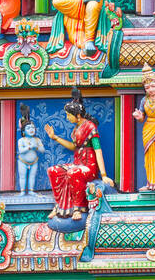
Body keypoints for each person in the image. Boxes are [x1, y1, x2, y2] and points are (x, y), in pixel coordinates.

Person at [45, 88, 113, 221]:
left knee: (72, 173)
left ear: (77, 115)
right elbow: (73, 146)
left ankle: (78, 207)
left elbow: (98, 149)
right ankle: (60, 206)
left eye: (68, 115)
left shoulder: (90, 127)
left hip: (89, 166)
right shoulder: (76, 128)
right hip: (78, 163)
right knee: (53, 170)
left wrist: (104, 175)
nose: (67, 118)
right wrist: (55, 138)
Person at [17, 105, 46, 194]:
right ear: (23, 131)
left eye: (33, 128)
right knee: (22, 176)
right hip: (22, 161)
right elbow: (21, 150)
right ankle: (22, 191)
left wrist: (36, 147)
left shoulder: (37, 140)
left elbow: (42, 150)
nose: (31, 130)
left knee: (32, 176)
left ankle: (31, 191)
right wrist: (29, 147)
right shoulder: (21, 140)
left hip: (34, 161)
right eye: (28, 128)